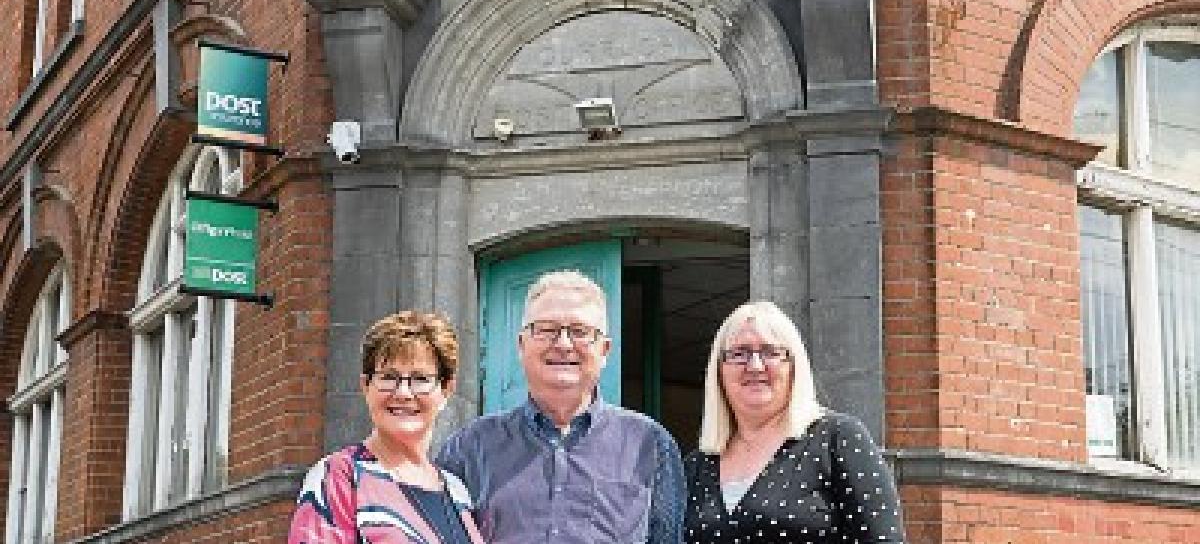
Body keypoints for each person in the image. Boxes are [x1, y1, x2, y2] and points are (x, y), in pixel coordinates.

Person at [436, 269, 686, 543]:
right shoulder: (469, 448)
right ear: (521, 345)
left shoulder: (650, 445)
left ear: (605, 350)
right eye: (546, 329)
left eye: (580, 332)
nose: (564, 344)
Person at [684, 301, 906, 543]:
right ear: (719, 371)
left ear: (794, 366)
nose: (755, 366)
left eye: (770, 352)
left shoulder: (837, 439)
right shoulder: (696, 466)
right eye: (739, 354)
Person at [289, 311, 485, 544]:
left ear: (446, 390)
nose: (403, 393)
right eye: (389, 377)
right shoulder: (339, 477)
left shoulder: (458, 492)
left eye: (420, 379)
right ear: (366, 385)